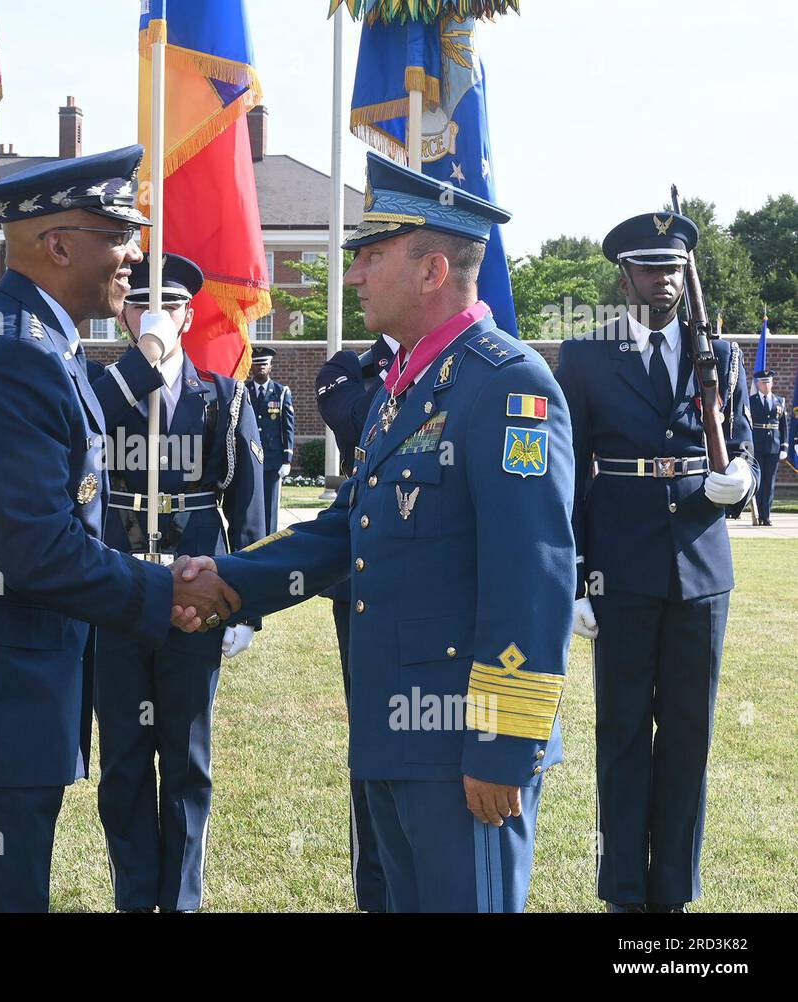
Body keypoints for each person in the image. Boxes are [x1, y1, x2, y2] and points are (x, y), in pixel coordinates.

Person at [181, 150, 576, 912]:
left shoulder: (509, 386)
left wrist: (503, 745)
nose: (354, 274)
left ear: (432, 270)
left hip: (464, 748)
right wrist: (231, 580)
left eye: (370, 255)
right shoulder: (409, 388)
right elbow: (345, 534)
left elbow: (533, 575)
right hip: (394, 735)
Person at [0, 145, 239, 912]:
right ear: (59, 244)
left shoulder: (36, 341)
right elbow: (38, 551)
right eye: (118, 234)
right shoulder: (16, 355)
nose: (134, 252)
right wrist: (162, 587)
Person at [557, 212, 757, 913]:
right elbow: (567, 471)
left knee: (689, 735)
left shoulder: (719, 355)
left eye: (673, 268)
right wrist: (579, 573)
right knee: (620, 733)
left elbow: (743, 439)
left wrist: (744, 479)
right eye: (649, 267)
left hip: (701, 567)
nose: (663, 281)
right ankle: (622, 891)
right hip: (619, 564)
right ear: (624, 275)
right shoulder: (584, 356)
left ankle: (672, 891)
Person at [90, 253, 265, 912]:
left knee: (188, 759)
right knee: (124, 760)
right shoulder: (94, 391)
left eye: (168, 304)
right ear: (123, 312)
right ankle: (136, 898)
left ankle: (182, 900)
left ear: (190, 314)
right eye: (139, 303)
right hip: (118, 594)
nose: (152, 315)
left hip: (201, 596)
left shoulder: (225, 397)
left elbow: (250, 513)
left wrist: (249, 604)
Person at [312, 337, 396, 912]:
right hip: (364, 582)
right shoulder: (346, 370)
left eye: (374, 259)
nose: (360, 277)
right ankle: (376, 890)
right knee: (372, 740)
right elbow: (364, 428)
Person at [246, 346, 294, 535]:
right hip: (249, 458)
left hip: (273, 460)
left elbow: (288, 426)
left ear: (270, 367)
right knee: (250, 505)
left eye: (264, 364)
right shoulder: (244, 390)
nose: (260, 368)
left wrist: (287, 459)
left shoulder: (281, 392)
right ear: (251, 368)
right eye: (257, 365)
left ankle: (270, 540)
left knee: (271, 506)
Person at [749, 370, 787, 525]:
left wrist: (784, 447)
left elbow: (783, 425)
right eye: (763, 382)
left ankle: (767, 515)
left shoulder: (779, 401)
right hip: (757, 445)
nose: (766, 385)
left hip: (774, 446)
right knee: (759, 481)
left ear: (772, 383)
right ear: (758, 384)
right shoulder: (751, 401)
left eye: (769, 381)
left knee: (769, 482)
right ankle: (758, 515)